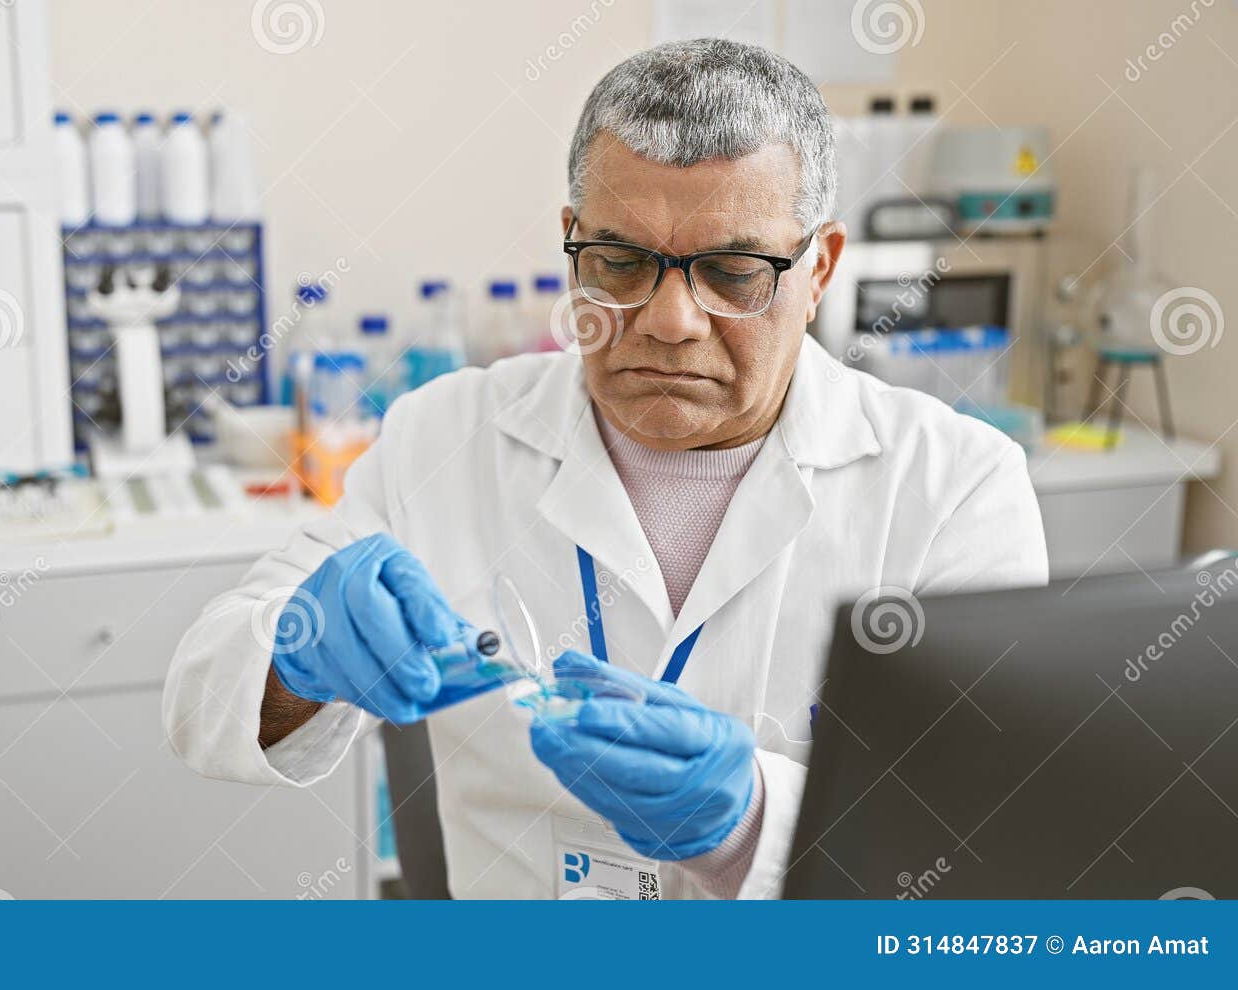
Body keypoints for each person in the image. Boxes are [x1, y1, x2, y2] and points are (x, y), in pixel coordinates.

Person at [163, 38, 1046, 899]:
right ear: (571, 242)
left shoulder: (954, 486)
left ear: (819, 269)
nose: (669, 320)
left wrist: (753, 820)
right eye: (620, 264)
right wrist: (297, 655)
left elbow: (989, 853)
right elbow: (203, 704)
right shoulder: (446, 435)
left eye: (734, 272)